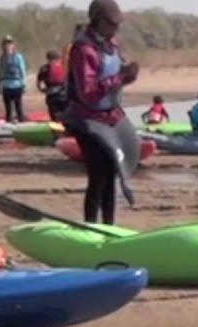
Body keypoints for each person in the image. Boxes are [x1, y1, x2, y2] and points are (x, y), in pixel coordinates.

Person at [63, 0, 139, 226]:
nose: (116, 29)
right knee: (98, 176)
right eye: (112, 23)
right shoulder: (83, 49)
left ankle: (108, 225)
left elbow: (114, 78)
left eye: (118, 24)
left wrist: (128, 75)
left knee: (112, 174)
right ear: (97, 21)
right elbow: (88, 93)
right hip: (86, 119)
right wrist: (119, 78)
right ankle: (90, 225)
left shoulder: (112, 44)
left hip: (110, 116)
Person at [0, 34, 27, 123]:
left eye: (9, 43)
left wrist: (24, 84)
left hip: (17, 85)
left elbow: (22, 70)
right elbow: (0, 72)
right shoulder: (2, 58)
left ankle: (22, 123)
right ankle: (9, 123)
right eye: (5, 44)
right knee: (8, 109)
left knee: (18, 107)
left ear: (13, 45)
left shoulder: (18, 57)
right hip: (6, 86)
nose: (8, 46)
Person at [36, 49, 67, 119]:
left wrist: (42, 90)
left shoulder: (44, 68)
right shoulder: (64, 67)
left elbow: (38, 82)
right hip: (63, 95)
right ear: (58, 59)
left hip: (51, 95)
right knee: (64, 115)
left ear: (48, 58)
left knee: (54, 116)